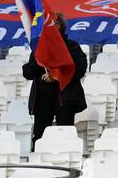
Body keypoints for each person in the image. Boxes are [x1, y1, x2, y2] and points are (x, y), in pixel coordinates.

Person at [22, 14, 88, 145]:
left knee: (65, 135)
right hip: (42, 100)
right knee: (40, 137)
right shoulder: (39, 49)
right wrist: (37, 58)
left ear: (59, 26)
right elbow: (28, 73)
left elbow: (79, 69)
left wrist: (56, 75)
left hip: (65, 99)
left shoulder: (71, 47)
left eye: (51, 24)